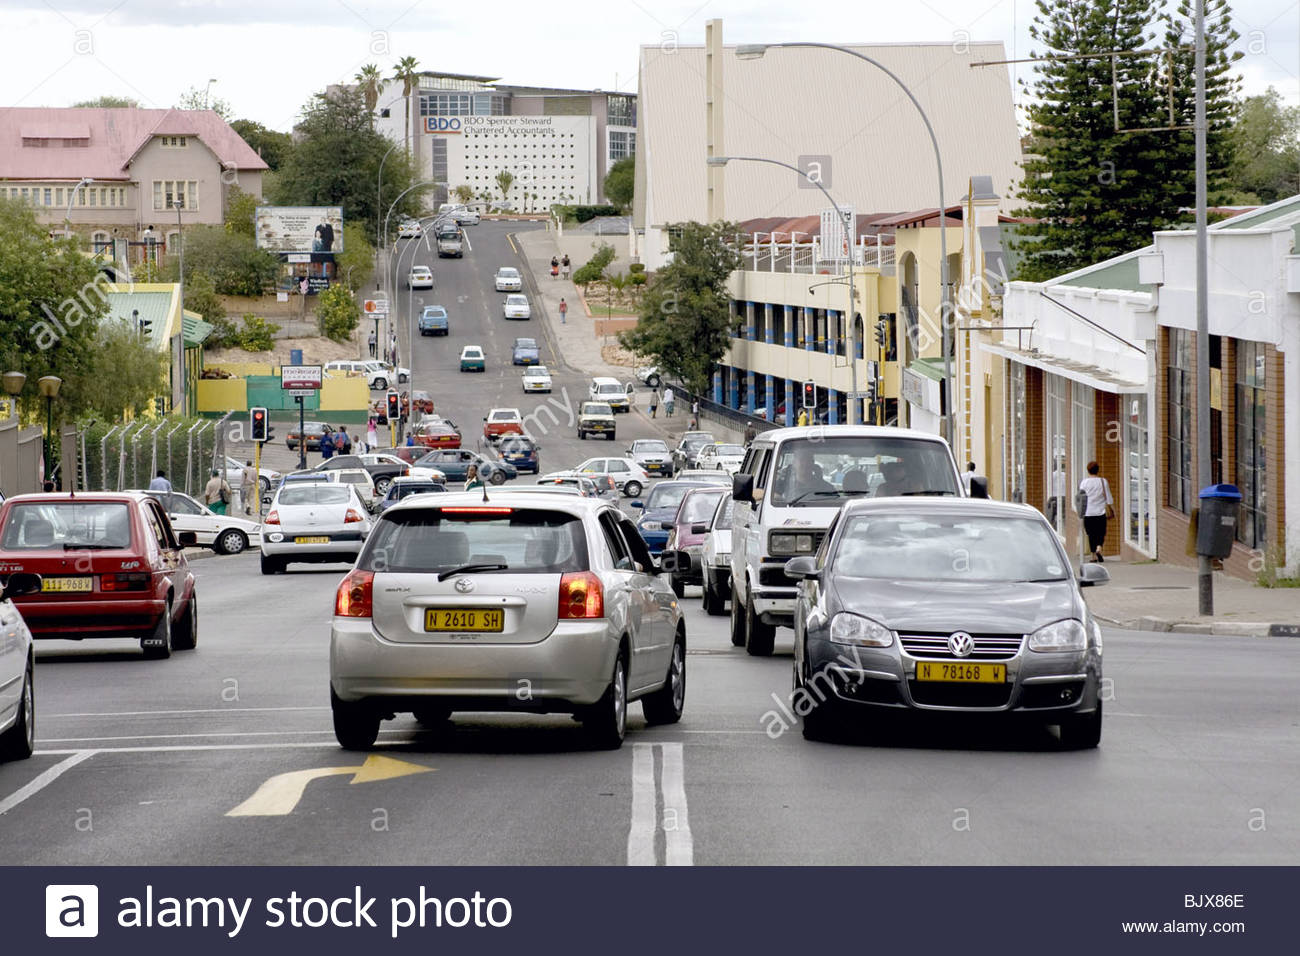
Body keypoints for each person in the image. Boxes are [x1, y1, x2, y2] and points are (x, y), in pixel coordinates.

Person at [1078, 460, 1114, 562]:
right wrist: (1113, 510)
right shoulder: (1103, 481)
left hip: (1088, 513)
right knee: (1101, 533)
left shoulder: (1084, 483)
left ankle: (1093, 556)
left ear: (1088, 470)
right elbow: (1109, 498)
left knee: (1091, 534)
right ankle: (1099, 548)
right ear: (1098, 470)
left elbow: (1081, 498)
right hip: (1100, 512)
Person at [1046, 462, 1067, 528]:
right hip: (1064, 497)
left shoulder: (1052, 475)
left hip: (1054, 498)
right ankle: (1062, 525)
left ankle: (1053, 526)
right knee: (1062, 514)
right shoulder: (1065, 475)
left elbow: (1048, 484)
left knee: (1052, 515)